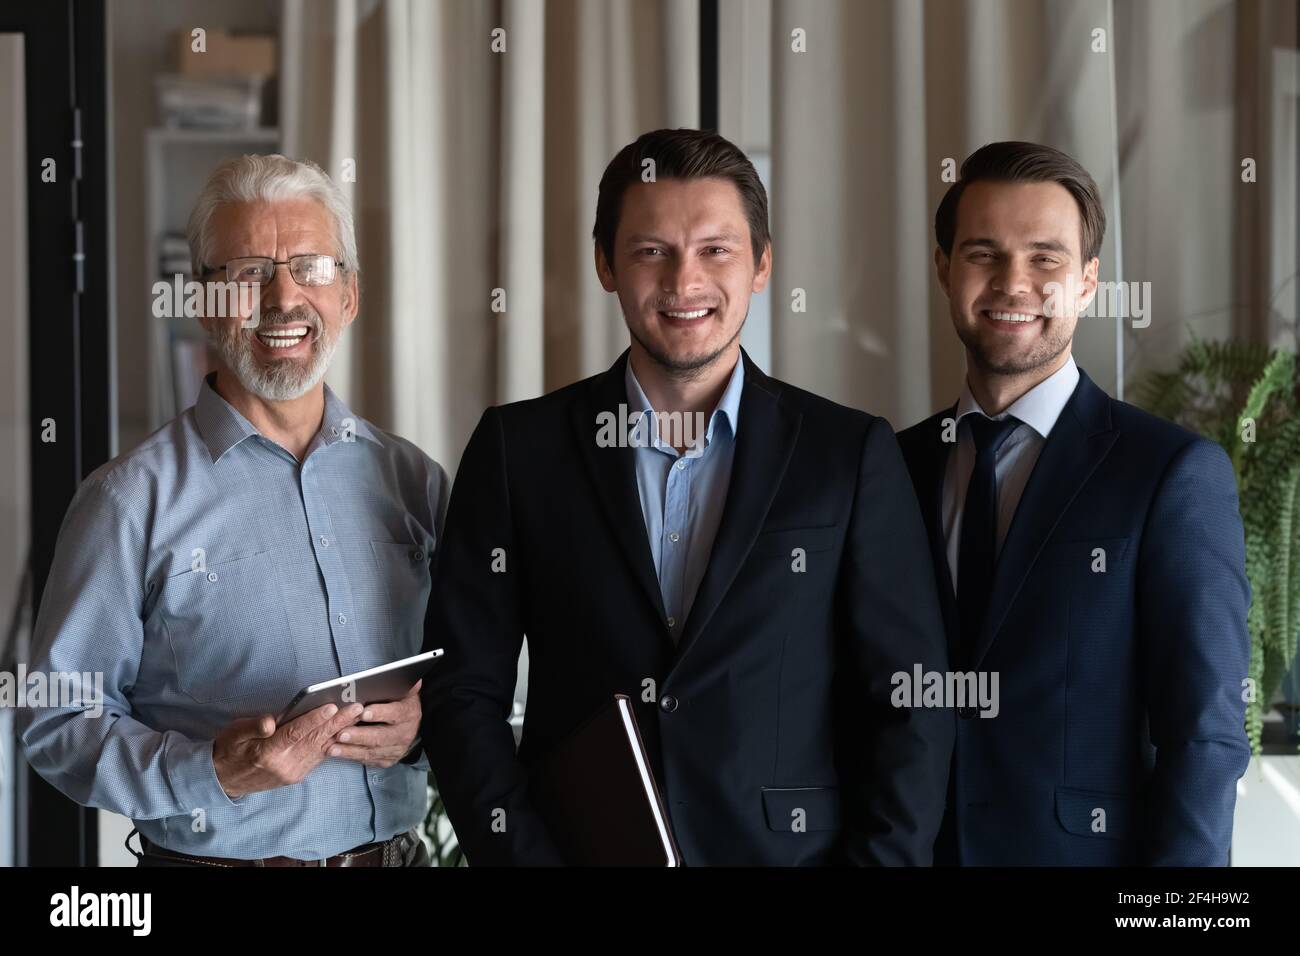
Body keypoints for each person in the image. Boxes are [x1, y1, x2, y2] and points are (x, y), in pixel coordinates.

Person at [422, 128, 953, 865]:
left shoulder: (850, 454)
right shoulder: (520, 450)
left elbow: (912, 703)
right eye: (651, 251)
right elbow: (461, 695)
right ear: (606, 264)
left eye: (715, 249)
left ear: (762, 264)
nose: (683, 282)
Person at [20, 154, 445, 867]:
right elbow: (57, 722)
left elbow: (467, 671)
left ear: (350, 294)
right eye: (248, 273)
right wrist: (212, 772)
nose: (283, 299)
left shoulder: (412, 481)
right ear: (201, 301)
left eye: (311, 266)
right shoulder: (127, 501)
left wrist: (424, 724)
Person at [896, 141, 1251, 865]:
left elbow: (1205, 737)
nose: (1012, 282)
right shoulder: (892, 466)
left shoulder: (1170, 473)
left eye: (1045, 258)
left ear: (1088, 281)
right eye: (983, 253)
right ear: (944, 269)